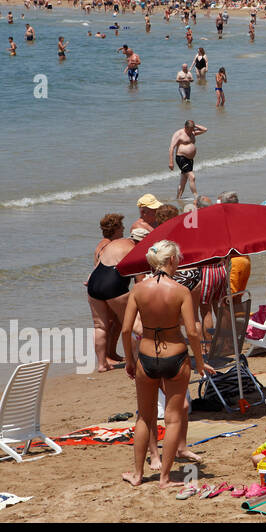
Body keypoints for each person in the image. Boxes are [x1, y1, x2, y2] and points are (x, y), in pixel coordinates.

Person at [120, 240, 212, 487]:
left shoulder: (138, 290)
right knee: (173, 419)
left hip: (147, 358)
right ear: (171, 260)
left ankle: (138, 476)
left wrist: (130, 360)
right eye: (178, 258)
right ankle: (164, 478)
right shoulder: (180, 291)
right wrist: (200, 363)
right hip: (176, 357)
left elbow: (126, 329)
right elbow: (192, 332)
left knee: (143, 417)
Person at [86, 214, 134, 372]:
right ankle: (133, 357)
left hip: (94, 284)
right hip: (111, 285)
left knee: (100, 326)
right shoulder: (113, 244)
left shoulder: (104, 243)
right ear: (117, 228)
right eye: (122, 227)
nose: (124, 229)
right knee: (131, 322)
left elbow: (97, 267)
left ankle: (102, 363)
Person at [169, 120, 207, 200]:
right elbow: (171, 148)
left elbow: (205, 130)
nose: (191, 131)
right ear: (185, 127)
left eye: (192, 129)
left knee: (183, 180)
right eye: (189, 129)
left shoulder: (193, 132)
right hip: (181, 158)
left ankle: (178, 198)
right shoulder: (179, 134)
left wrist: (194, 126)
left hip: (190, 160)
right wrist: (171, 162)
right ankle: (196, 197)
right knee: (192, 177)